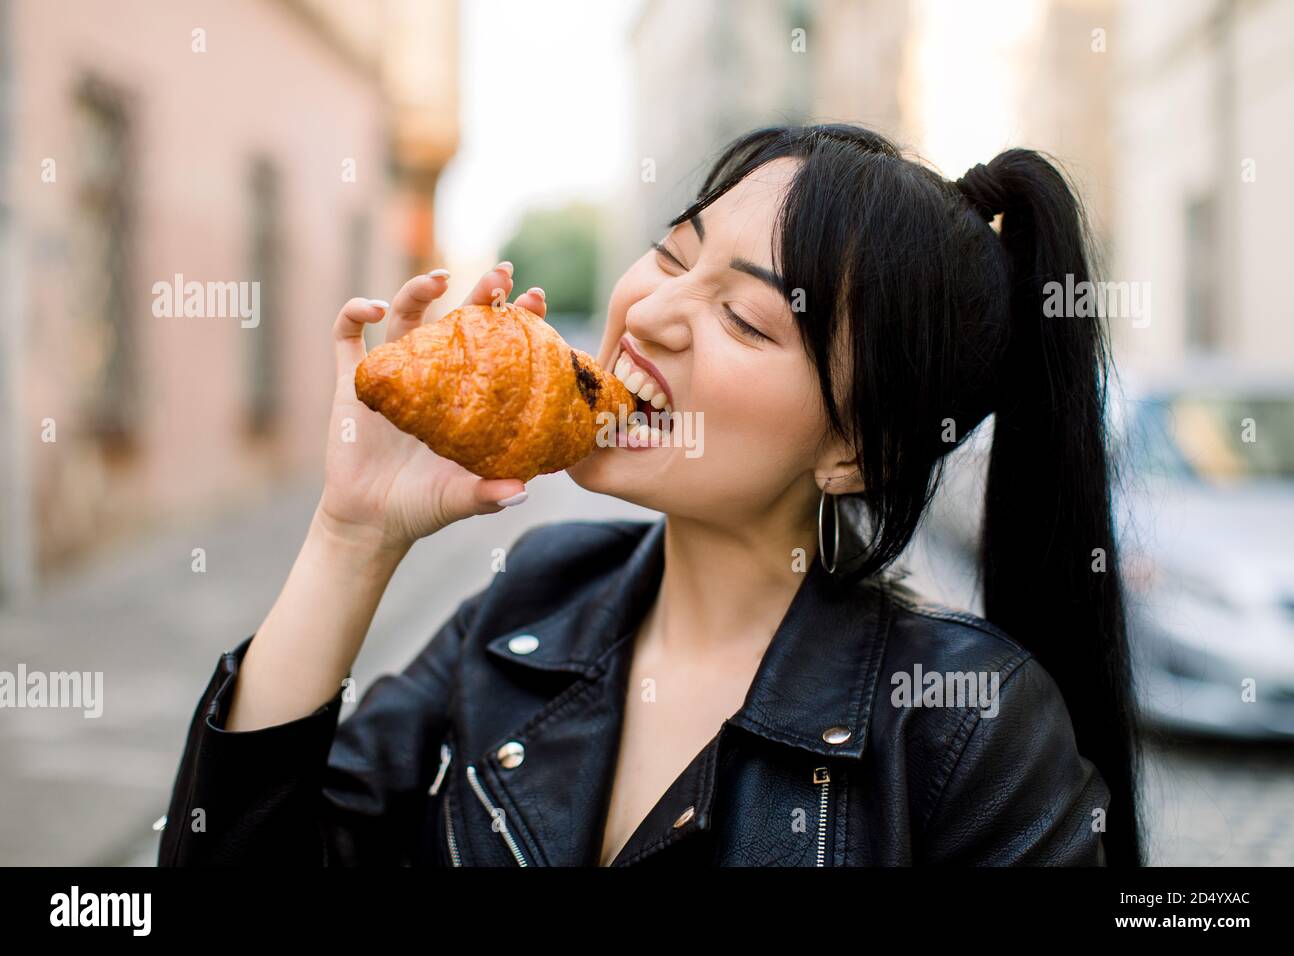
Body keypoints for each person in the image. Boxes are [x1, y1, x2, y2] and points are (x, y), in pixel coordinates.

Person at [158, 123, 1144, 867]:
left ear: (855, 451)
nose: (655, 313)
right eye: (673, 253)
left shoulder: (964, 731)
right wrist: (353, 532)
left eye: (748, 320)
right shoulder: (529, 606)